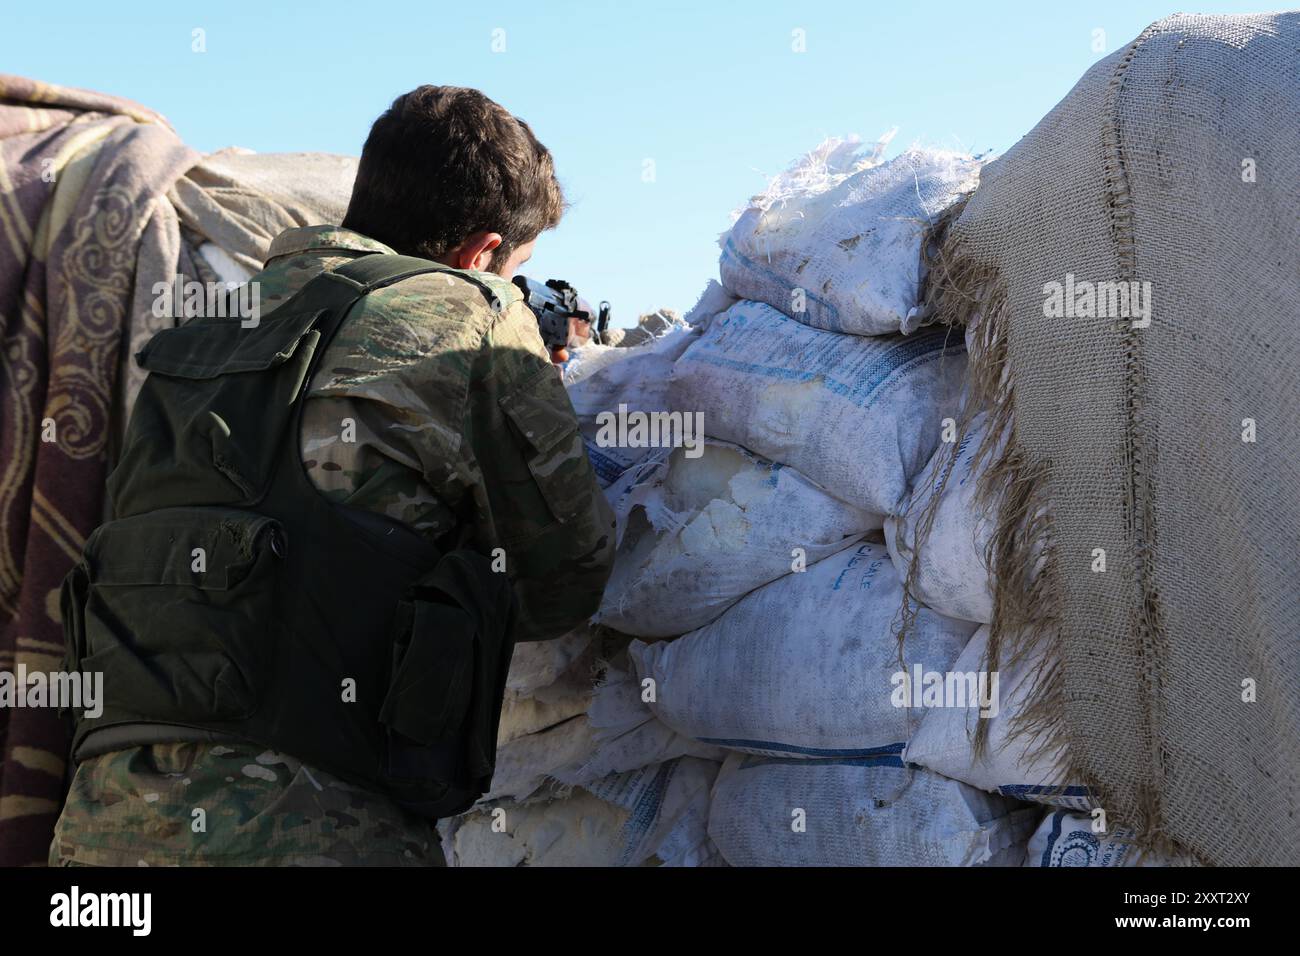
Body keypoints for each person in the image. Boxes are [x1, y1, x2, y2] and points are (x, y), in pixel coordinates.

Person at [49, 85, 616, 867]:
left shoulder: (206, 331)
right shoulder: (470, 311)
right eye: (514, 267)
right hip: (310, 826)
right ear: (482, 253)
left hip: (99, 828)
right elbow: (566, 577)